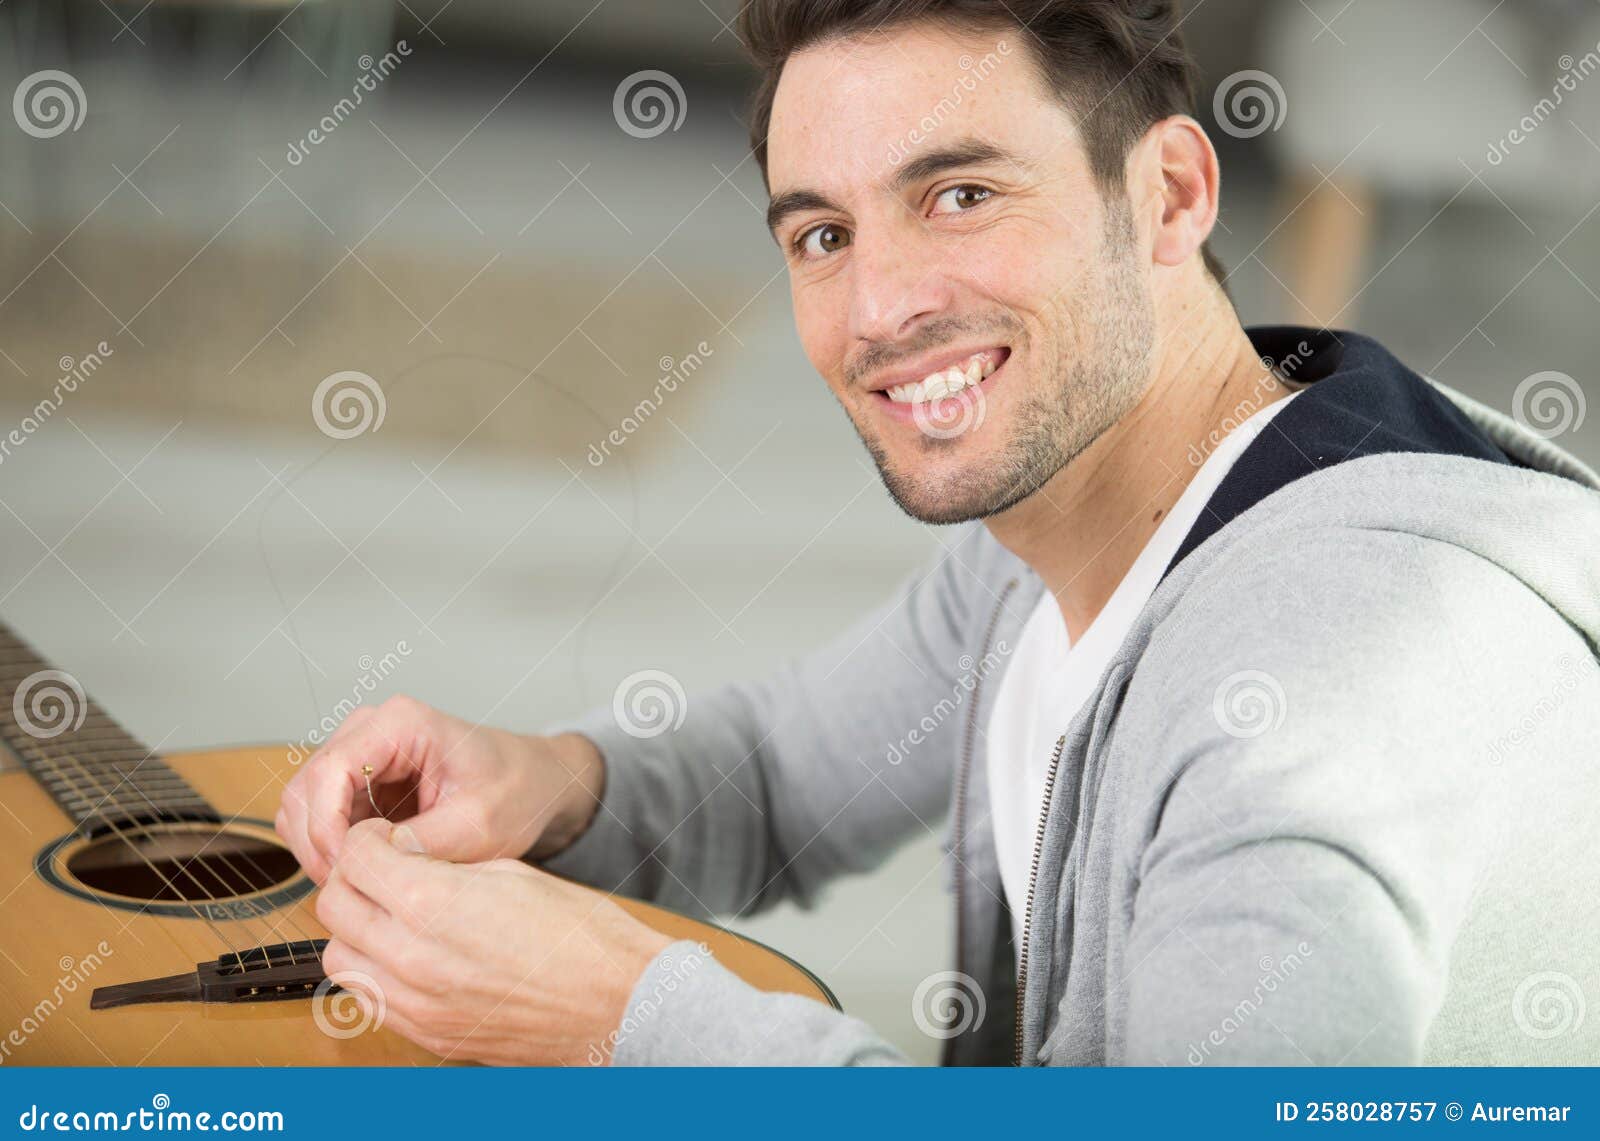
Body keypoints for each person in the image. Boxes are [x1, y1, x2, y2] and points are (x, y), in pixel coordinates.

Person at [275, 0, 1600, 1066]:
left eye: (960, 194)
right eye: (823, 234)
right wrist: (551, 778)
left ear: (1173, 193)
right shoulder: (1085, 517)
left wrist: (629, 1017)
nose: (879, 306)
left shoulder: (1314, 691)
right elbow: (788, 773)